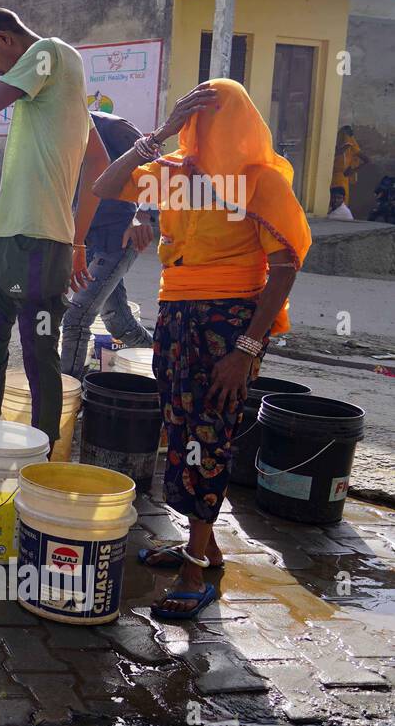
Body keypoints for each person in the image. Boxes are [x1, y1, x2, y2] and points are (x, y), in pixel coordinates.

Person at [93, 78, 312, 620]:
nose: (200, 131)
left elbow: (284, 267)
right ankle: (204, 546)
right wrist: (158, 135)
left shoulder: (259, 182)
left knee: (210, 435)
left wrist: (246, 348)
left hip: (230, 322)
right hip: (175, 314)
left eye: (208, 119)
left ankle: (196, 566)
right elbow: (105, 184)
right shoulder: (174, 175)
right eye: (192, 119)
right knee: (180, 428)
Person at [0, 6, 94, 446]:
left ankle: (42, 459)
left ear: (8, 40)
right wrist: (79, 240)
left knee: (38, 357)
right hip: (7, 238)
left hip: (37, 243)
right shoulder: (59, 79)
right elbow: (99, 159)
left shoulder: (48, 53)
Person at [60, 110, 157, 378]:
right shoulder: (55, 132)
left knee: (76, 318)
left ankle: (67, 396)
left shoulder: (113, 127)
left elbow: (156, 168)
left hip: (120, 236)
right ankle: (166, 362)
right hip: (85, 240)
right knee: (119, 324)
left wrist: (142, 214)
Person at [331, 125, 368, 205]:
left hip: (343, 178)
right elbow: (331, 155)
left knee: (341, 202)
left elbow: (366, 160)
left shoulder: (352, 146)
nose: (345, 137)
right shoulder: (335, 145)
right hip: (331, 177)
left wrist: (353, 170)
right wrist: (342, 150)